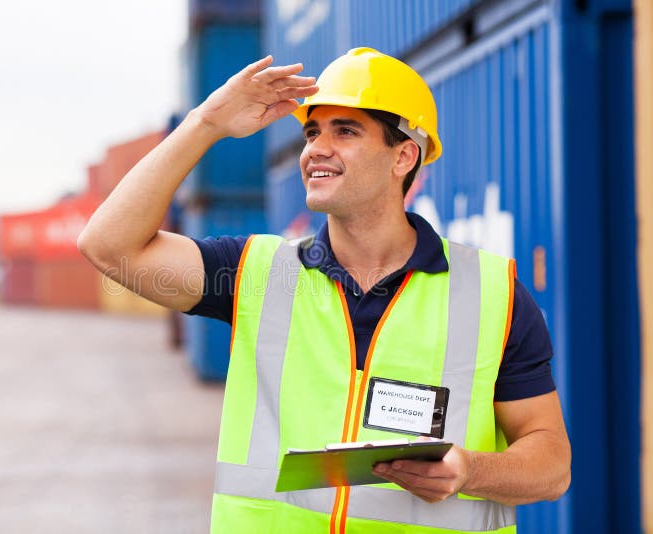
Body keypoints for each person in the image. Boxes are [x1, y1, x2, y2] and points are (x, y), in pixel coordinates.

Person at [78, 47, 571, 533]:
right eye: (312, 132)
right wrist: (207, 122)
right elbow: (109, 246)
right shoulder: (256, 274)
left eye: (346, 131)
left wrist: (469, 471)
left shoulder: (492, 293)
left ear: (403, 156)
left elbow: (551, 464)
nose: (316, 147)